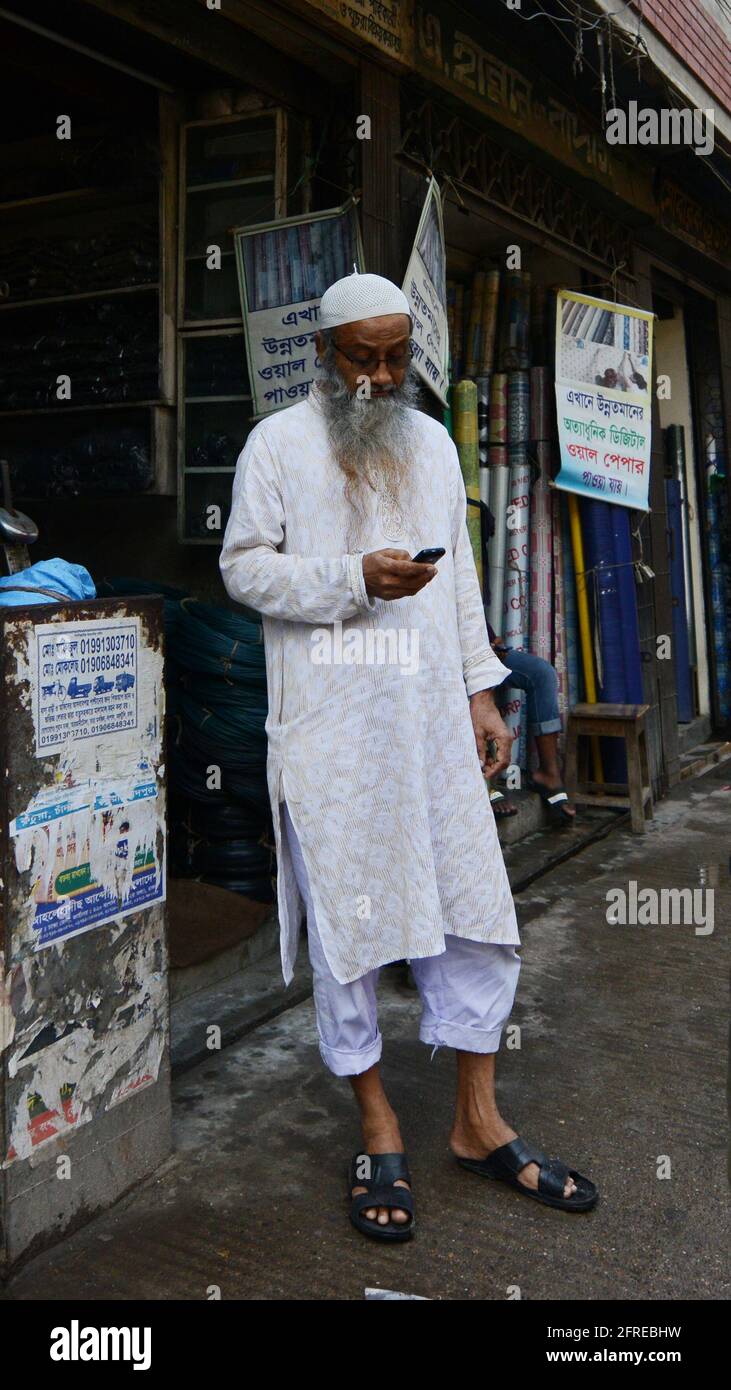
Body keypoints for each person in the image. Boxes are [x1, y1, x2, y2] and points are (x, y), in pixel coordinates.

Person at [220, 271, 597, 1240]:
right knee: (351, 939)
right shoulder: (277, 443)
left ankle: (476, 1121)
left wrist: (479, 686)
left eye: (395, 357)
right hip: (332, 731)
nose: (381, 376)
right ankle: (379, 1126)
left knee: (475, 910)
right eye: (363, 357)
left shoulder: (430, 442)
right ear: (324, 354)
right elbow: (242, 565)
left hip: (427, 725)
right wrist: (352, 577)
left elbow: (457, 574)